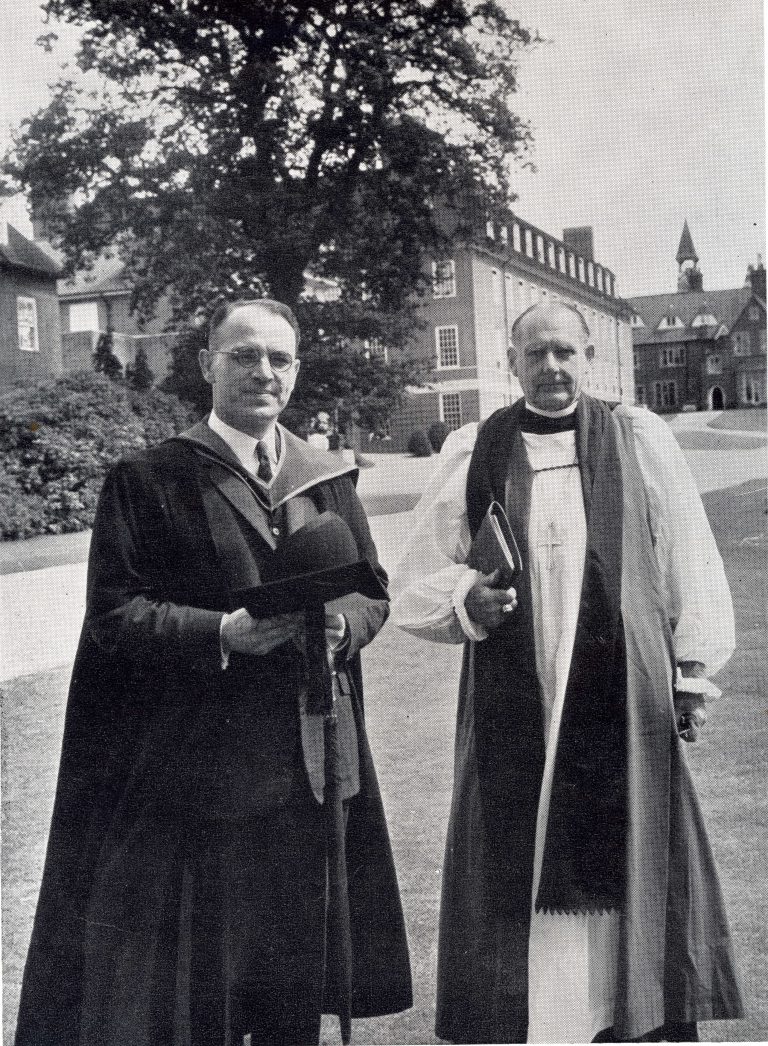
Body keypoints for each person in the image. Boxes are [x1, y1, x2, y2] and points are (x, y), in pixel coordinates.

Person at [15, 298, 412, 1046]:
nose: (264, 372)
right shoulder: (150, 478)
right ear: (207, 365)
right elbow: (114, 614)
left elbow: (374, 590)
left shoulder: (325, 477)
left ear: (296, 371)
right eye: (244, 355)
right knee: (208, 994)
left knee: (296, 987)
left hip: (314, 766)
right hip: (203, 773)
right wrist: (221, 632)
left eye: (280, 359)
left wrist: (346, 628)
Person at [393, 301, 743, 1044]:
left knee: (627, 843)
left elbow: (686, 553)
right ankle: (540, 1025)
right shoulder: (477, 449)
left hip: (623, 693)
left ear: (590, 356)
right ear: (511, 362)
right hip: (515, 699)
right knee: (519, 850)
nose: (550, 366)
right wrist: (465, 597)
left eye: (564, 351)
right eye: (535, 353)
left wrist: (691, 666)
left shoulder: (636, 439)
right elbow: (413, 583)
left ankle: (627, 1017)